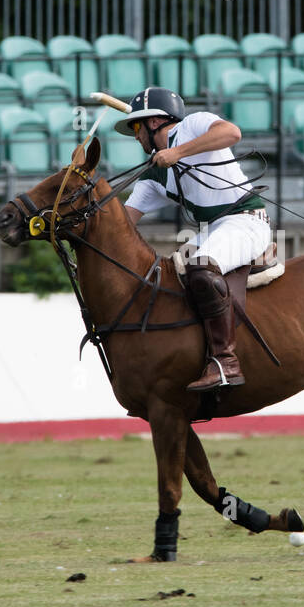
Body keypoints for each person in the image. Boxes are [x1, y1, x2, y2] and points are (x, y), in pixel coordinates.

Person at [118, 87, 270, 392]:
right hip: (210, 230)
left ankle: (226, 364)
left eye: (136, 126)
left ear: (156, 121)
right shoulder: (153, 175)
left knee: (201, 267)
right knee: (167, 279)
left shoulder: (194, 124)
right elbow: (123, 223)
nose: (135, 136)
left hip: (245, 222)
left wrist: (176, 153)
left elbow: (232, 133)